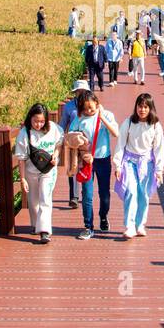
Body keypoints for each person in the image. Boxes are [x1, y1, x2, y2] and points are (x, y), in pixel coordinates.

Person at [113, 92, 164, 239]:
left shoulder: (155, 125)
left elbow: (159, 149)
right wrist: (117, 165)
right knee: (131, 191)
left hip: (146, 162)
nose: (142, 110)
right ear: (136, 107)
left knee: (144, 194)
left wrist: (159, 169)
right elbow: (120, 144)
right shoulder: (129, 122)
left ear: (150, 108)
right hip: (129, 161)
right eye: (140, 106)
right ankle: (129, 226)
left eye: (145, 107)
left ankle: (140, 224)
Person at [70, 90, 119, 239]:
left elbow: (116, 133)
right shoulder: (79, 118)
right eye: (85, 109)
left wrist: (102, 117)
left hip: (103, 159)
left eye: (91, 108)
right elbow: (70, 137)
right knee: (87, 195)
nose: (88, 111)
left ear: (97, 104)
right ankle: (88, 226)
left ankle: (103, 216)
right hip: (86, 160)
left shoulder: (107, 115)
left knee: (104, 194)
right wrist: (82, 147)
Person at [14, 103, 63, 244]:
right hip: (31, 171)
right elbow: (21, 159)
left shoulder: (53, 128)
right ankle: (36, 225)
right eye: (36, 121)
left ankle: (45, 230)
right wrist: (22, 179)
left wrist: (55, 154)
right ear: (30, 118)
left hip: (48, 170)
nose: (38, 124)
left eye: (42, 121)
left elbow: (59, 142)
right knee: (33, 200)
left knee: (45, 198)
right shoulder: (24, 134)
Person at [58, 81, 90, 207]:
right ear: (75, 93)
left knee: (86, 167)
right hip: (72, 140)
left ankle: (86, 193)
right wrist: (58, 139)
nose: (81, 93)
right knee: (73, 167)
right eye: (78, 91)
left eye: (83, 91)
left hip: (87, 141)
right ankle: (74, 196)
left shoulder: (91, 105)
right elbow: (63, 123)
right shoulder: (69, 106)